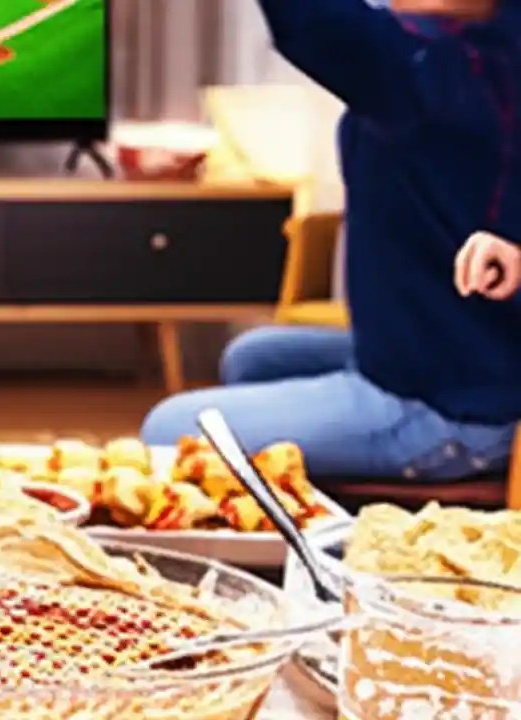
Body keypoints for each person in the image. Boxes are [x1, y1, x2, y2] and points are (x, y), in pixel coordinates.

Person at [141, 0, 521, 481]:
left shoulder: (439, 65)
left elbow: (317, 23)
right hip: (454, 350)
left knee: (167, 429)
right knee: (252, 357)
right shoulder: (461, 45)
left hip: (448, 406)